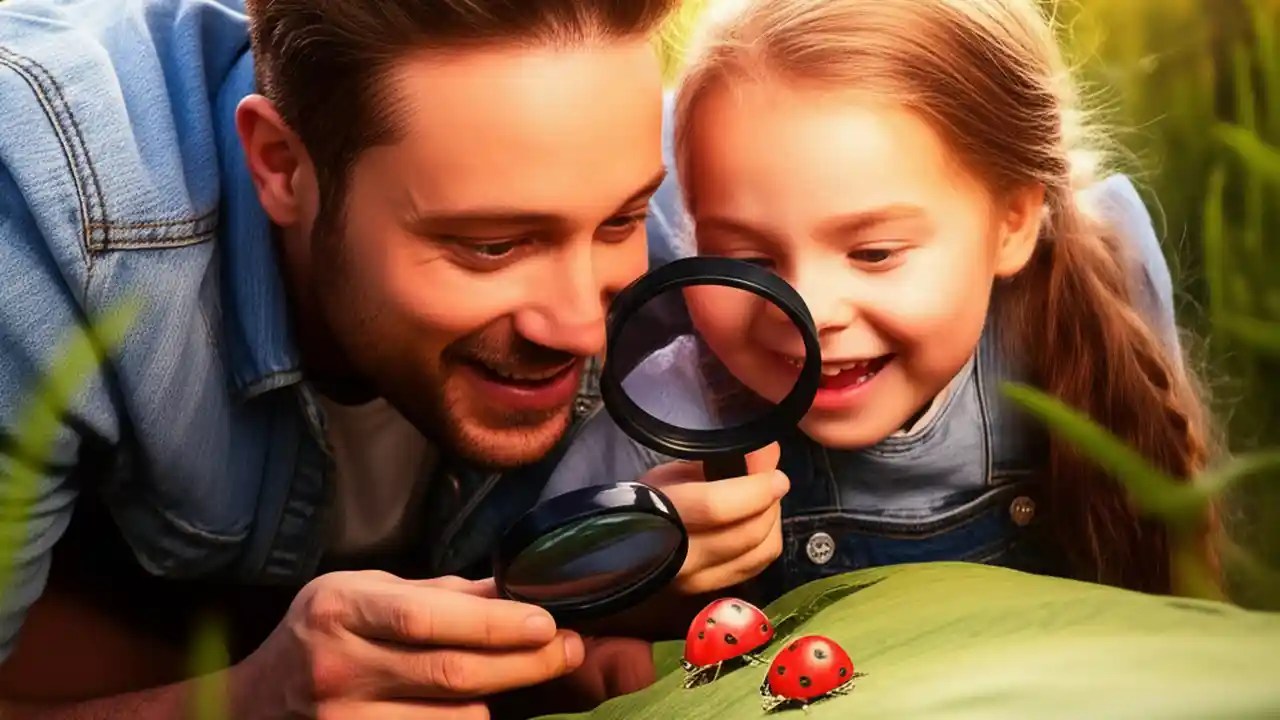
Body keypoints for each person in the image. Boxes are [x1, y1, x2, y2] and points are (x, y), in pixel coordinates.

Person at [0, 0, 704, 715]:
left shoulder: (710, 205)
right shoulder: (49, 219)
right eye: (492, 245)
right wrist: (255, 701)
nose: (584, 327)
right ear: (281, 168)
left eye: (621, 220)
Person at [540, 0, 1220, 631]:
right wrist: (620, 620)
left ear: (1013, 221)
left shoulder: (1088, 308)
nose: (809, 314)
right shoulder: (674, 417)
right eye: (748, 258)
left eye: (873, 252)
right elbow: (539, 601)